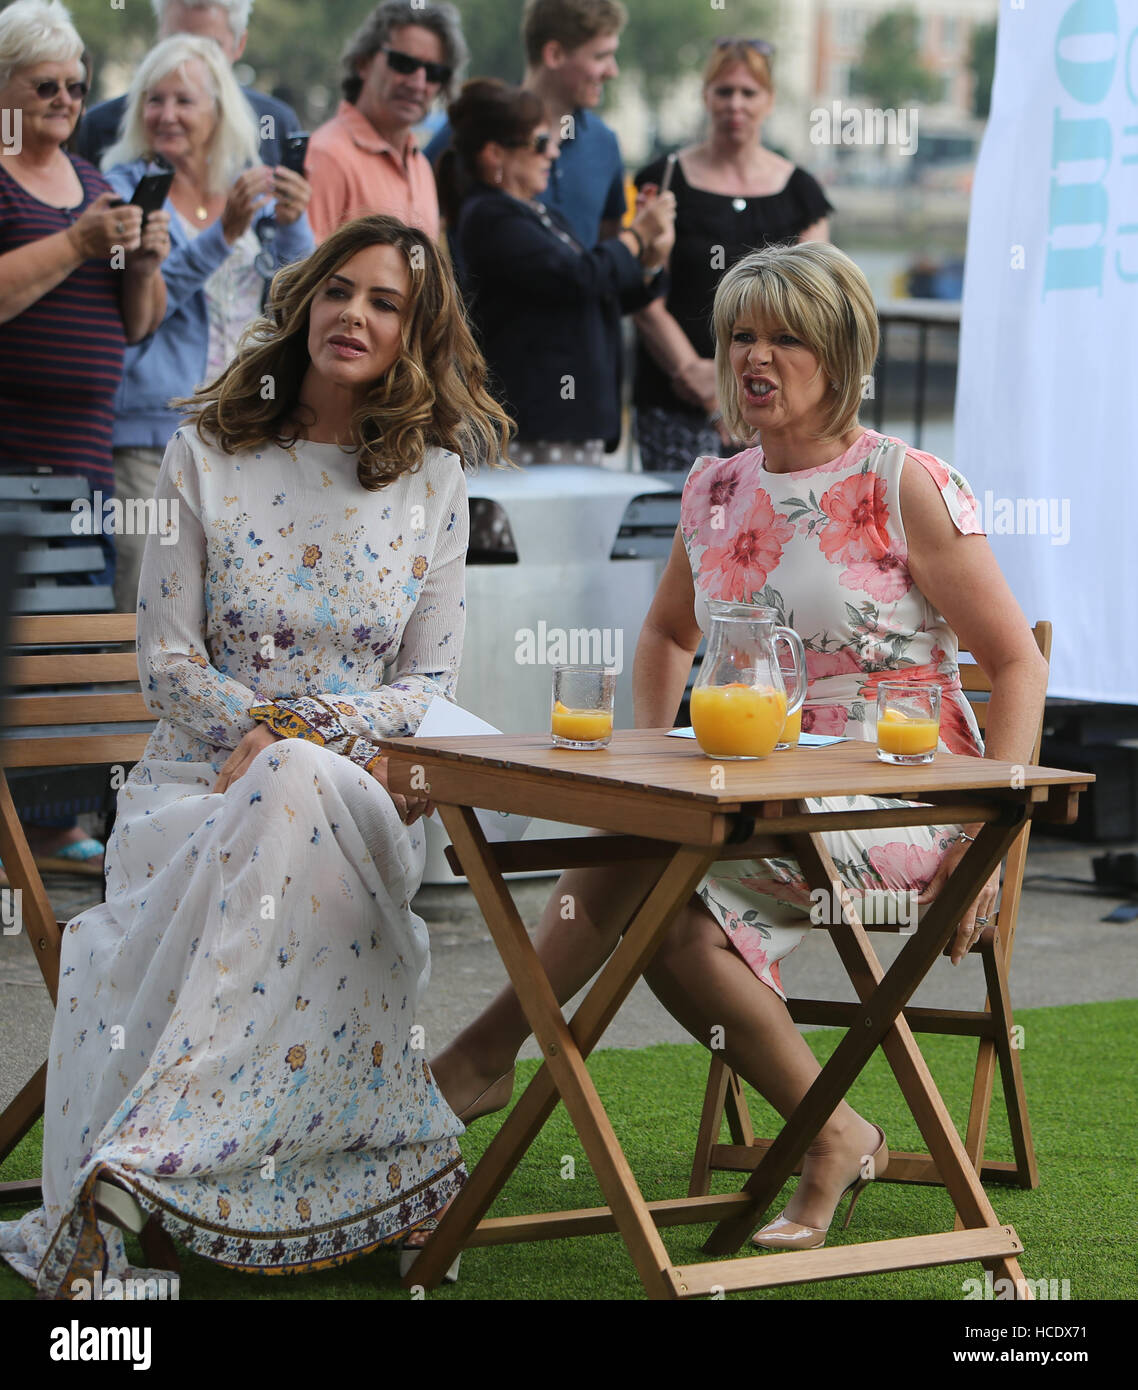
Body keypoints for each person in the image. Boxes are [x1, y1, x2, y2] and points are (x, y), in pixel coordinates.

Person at [429, 242, 1050, 1253]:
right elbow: (670, 633)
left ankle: (483, 1055)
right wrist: (644, 749)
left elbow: (1015, 664)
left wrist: (1001, 843)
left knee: (652, 860)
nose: (758, 356)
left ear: (840, 354)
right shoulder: (713, 487)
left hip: (903, 793)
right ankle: (834, 1131)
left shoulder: (905, 481)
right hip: (752, 785)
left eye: (786, 338)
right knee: (656, 887)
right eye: (741, 336)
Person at [0, 213, 512, 1298]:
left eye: (386, 302)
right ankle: (382, 1164)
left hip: (356, 804)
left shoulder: (431, 480)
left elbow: (425, 690)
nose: (355, 315)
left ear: (415, 334)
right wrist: (268, 735)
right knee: (282, 777)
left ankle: (142, 1167)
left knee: (292, 778)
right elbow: (167, 663)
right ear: (305, 301)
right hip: (192, 793)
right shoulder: (209, 453)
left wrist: (293, 737)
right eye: (341, 290)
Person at [0, 0, 168, 878]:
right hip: (7, 452)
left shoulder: (98, 182)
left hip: (81, 457)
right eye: (45, 85)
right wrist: (75, 242)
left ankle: (58, 830)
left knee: (71, 646)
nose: (66, 98)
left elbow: (137, 325)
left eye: (77, 85)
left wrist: (141, 263)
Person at [103, 33, 314, 612]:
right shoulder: (126, 188)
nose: (165, 114)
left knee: (232, 608)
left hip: (244, 428)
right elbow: (142, 312)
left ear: (220, 111)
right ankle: (124, 709)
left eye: (183, 101)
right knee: (146, 604)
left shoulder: (246, 187)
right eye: (153, 99)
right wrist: (221, 235)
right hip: (154, 431)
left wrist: (293, 220)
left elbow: (304, 291)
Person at [439, 78, 673, 467]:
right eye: (539, 143)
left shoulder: (539, 212)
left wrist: (650, 257)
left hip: (571, 422)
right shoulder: (489, 215)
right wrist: (637, 235)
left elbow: (600, 289)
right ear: (495, 155)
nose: (552, 152)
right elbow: (577, 276)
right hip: (537, 424)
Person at [633, 38, 832, 473]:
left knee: (769, 534)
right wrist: (700, 378)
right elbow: (643, 289)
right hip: (676, 400)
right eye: (724, 91)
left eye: (748, 92)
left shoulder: (801, 193)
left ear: (769, 101)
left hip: (775, 404)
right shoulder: (663, 180)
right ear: (706, 97)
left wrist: (748, 385)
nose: (735, 104)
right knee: (688, 529)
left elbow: (817, 305)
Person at [428, 0, 629, 254]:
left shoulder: (604, 144)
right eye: (601, 56)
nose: (613, 71)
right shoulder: (471, 129)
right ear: (554, 54)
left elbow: (607, 266)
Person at [305, 1, 466, 243]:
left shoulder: (419, 164)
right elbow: (304, 275)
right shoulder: (328, 156)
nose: (418, 83)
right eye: (404, 64)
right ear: (363, 62)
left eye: (434, 72)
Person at [76, 0, 302, 171]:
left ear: (239, 45)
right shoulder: (102, 125)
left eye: (209, 48)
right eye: (176, 42)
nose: (191, 60)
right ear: (159, 37)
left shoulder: (274, 125)